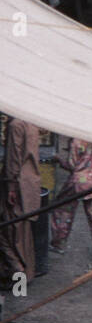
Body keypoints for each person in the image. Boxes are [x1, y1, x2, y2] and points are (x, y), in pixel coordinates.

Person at [50, 139, 92, 265]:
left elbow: (72, 165)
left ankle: (58, 244)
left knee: (62, 210)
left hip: (78, 181)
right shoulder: (90, 136)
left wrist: (59, 159)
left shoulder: (75, 140)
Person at [0, 120, 41, 287]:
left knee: (10, 231)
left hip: (18, 184)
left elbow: (13, 158)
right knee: (22, 232)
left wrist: (10, 185)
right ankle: (24, 276)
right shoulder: (31, 122)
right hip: (30, 182)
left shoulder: (15, 126)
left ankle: (18, 275)